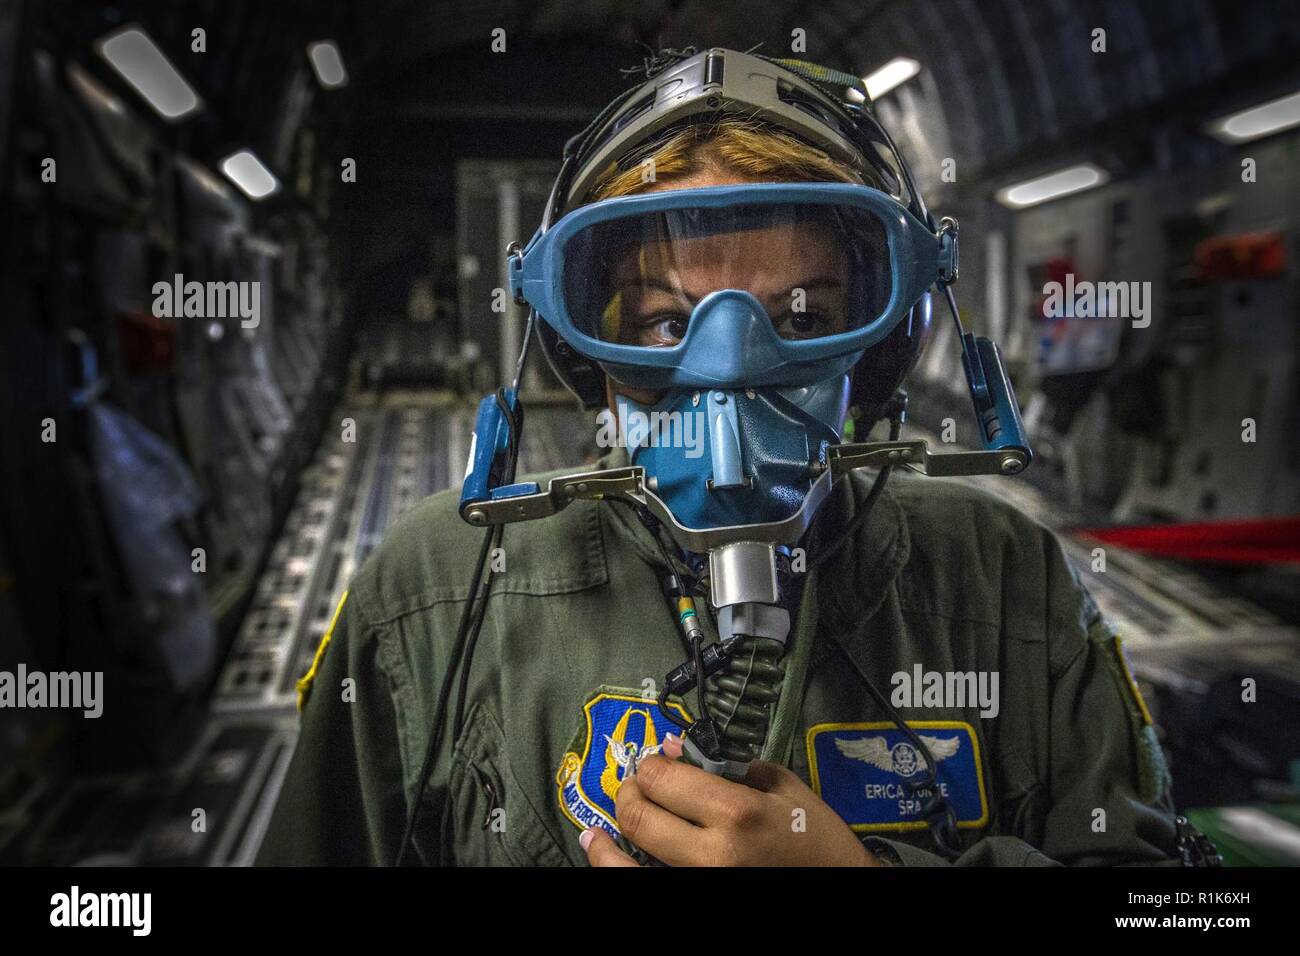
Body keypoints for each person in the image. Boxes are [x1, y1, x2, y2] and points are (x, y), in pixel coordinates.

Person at [256, 47, 1198, 867]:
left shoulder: (1003, 581)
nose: (729, 381)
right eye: (665, 321)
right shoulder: (434, 593)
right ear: (585, 348)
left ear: (880, 346)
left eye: (802, 317)